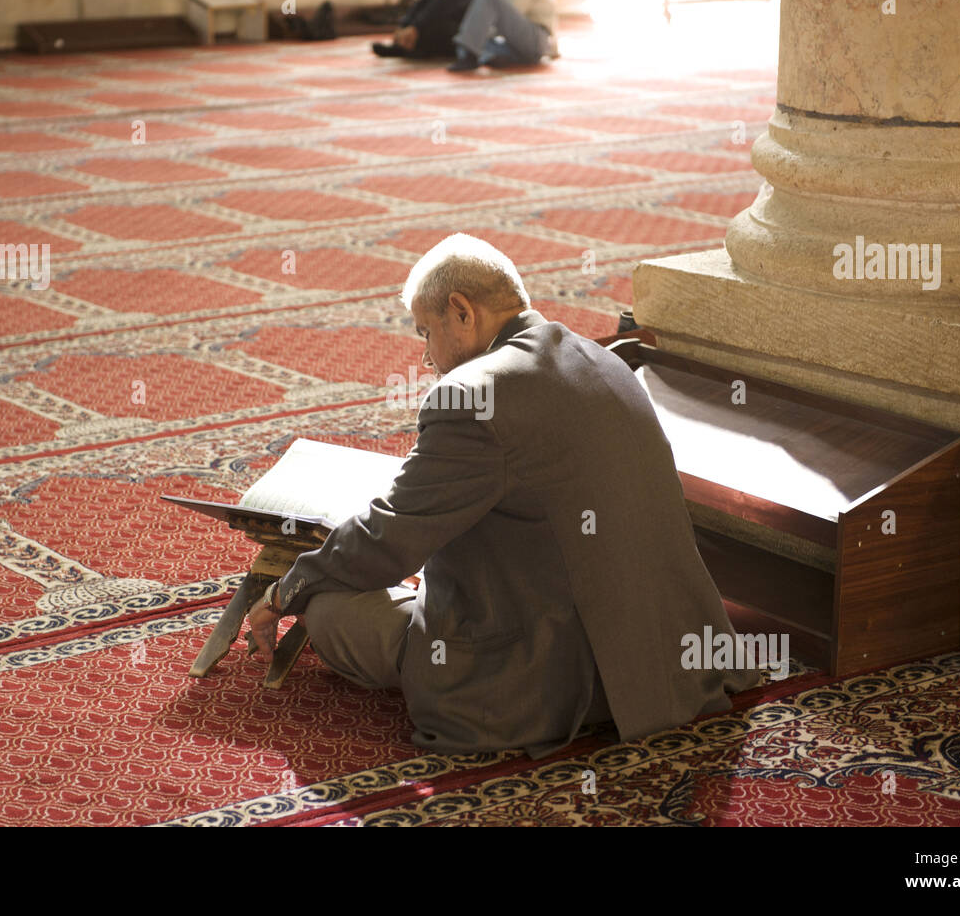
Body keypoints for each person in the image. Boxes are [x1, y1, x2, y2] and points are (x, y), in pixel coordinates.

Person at [246, 234, 761, 758]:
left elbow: (389, 539)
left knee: (333, 610)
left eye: (426, 333)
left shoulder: (469, 398)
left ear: (461, 311)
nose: (426, 358)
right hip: (667, 665)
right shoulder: (606, 362)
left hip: (548, 689)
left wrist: (287, 592)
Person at [447, 0, 559, 72]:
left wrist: (479, 32)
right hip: (534, 44)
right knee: (484, 42)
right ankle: (482, 54)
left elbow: (507, 20)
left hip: (535, 41)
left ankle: (470, 55)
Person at [373, 0, 490, 60]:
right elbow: (423, 1)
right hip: (443, 20)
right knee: (422, 25)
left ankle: (413, 48)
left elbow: (446, 6)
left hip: (465, 27)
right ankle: (409, 46)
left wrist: (416, 28)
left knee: (435, 28)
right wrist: (404, 24)